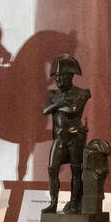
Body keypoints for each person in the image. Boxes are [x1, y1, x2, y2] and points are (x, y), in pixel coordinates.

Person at [43, 54, 90, 213]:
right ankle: (53, 203)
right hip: (60, 137)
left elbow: (74, 109)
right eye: (56, 76)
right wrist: (61, 103)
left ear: (70, 76)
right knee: (52, 168)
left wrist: (57, 106)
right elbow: (45, 110)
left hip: (75, 137)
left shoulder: (82, 93)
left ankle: (75, 202)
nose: (57, 80)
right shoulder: (52, 94)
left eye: (61, 76)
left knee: (77, 171)